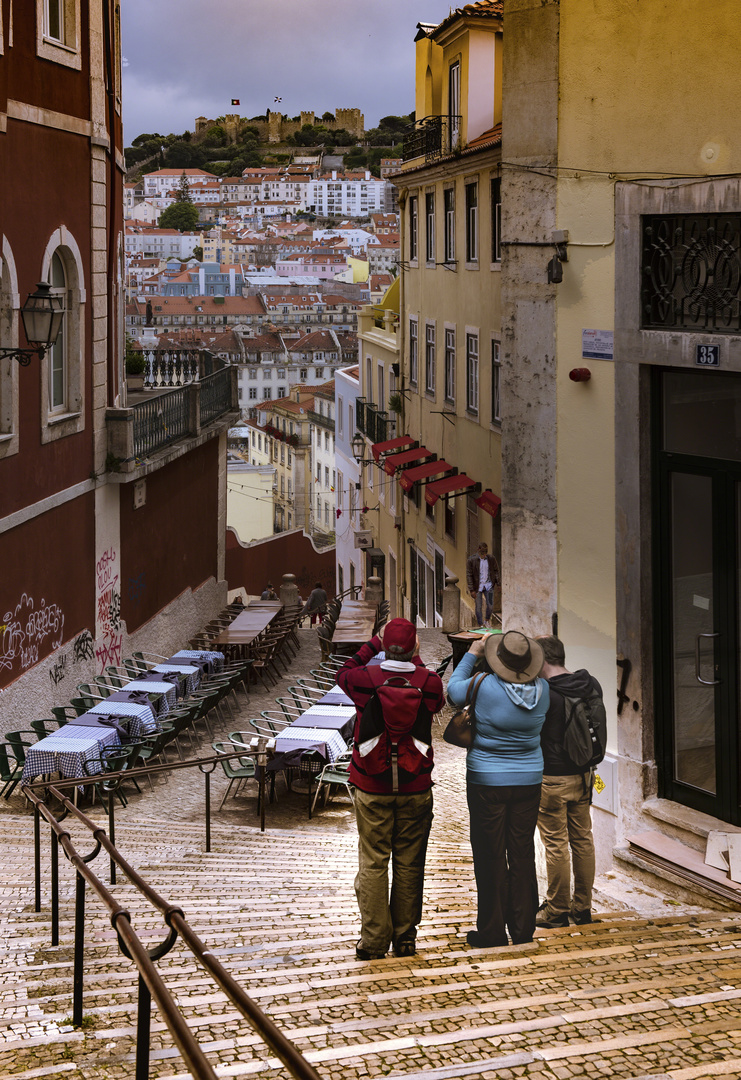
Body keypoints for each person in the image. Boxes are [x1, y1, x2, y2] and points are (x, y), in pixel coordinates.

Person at [337, 618, 445, 960]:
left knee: (373, 862)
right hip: (415, 785)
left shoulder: (363, 680)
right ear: (415, 648)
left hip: (372, 784)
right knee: (410, 862)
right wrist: (415, 660)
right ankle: (405, 938)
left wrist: (374, 643)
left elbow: (343, 671)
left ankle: (372, 941)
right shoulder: (428, 682)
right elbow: (436, 703)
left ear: (384, 646)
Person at [447, 630, 549, 947]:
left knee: (490, 854)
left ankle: (491, 931)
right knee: (522, 853)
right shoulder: (544, 689)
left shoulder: (484, 686)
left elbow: (452, 691)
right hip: (529, 780)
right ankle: (523, 929)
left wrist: (473, 653)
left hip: (486, 781)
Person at [535, 635, 602, 928]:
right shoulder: (590, 684)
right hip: (585, 775)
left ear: (542, 659)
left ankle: (557, 910)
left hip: (552, 778)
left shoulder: (544, 693)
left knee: (556, 845)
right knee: (584, 841)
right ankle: (582, 908)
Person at [466, 542, 500, 627]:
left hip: (488, 585)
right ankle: (480, 624)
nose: (484, 554)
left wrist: (498, 584)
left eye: (485, 552)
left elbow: (496, 571)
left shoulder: (491, 559)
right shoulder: (471, 560)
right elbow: (469, 575)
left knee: (490, 606)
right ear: (478, 550)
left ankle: (487, 620)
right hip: (478, 587)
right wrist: (471, 590)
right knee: (478, 607)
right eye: (482, 552)